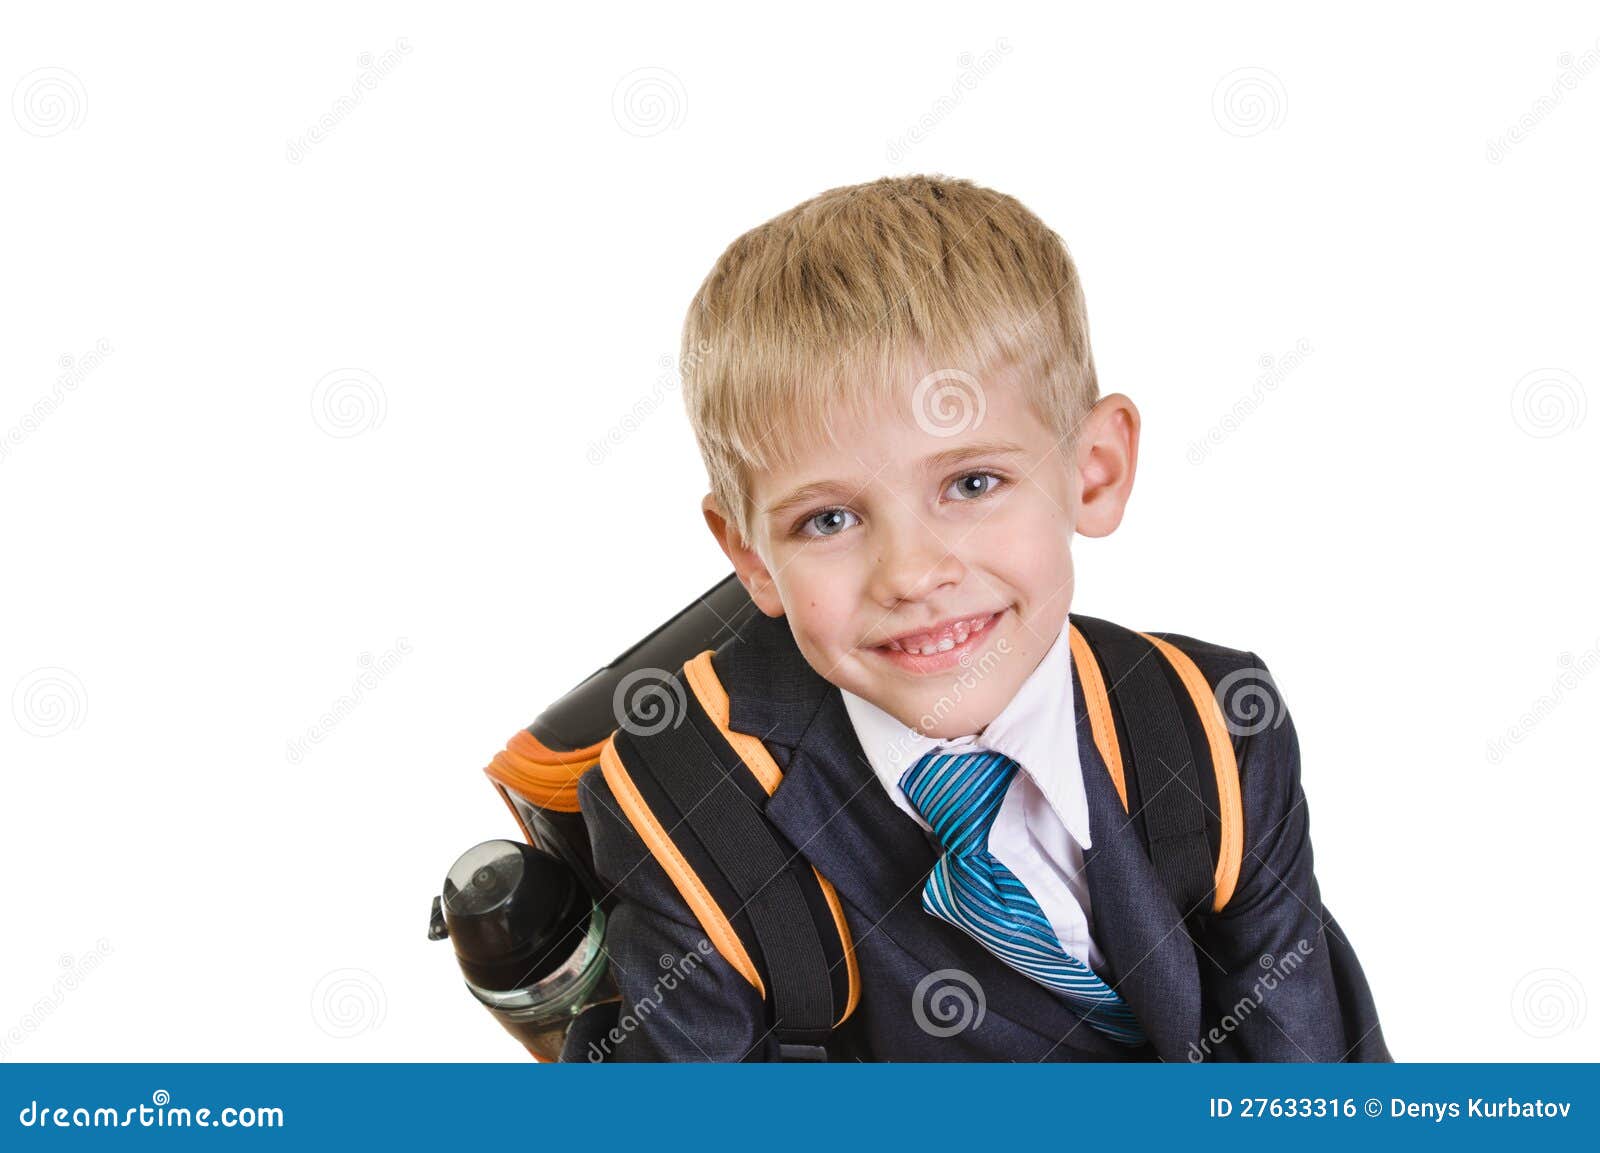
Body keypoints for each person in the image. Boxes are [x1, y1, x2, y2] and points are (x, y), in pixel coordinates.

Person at [573, 174, 1388, 1061]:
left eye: (971, 483)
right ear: (752, 556)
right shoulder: (690, 809)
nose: (913, 573)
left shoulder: (1212, 725)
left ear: (1095, 469)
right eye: (829, 520)